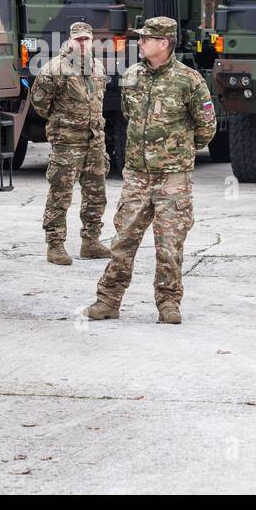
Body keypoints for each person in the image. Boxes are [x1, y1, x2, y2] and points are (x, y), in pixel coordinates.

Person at [86, 16, 216, 324]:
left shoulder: (189, 80)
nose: (140, 42)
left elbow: (206, 127)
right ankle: (108, 300)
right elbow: (129, 115)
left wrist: (176, 151)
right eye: (140, 37)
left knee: (169, 245)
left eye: (146, 38)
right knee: (122, 241)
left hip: (173, 178)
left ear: (164, 43)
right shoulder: (132, 76)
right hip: (137, 177)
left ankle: (168, 303)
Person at [29, 21, 110, 265]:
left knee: (96, 194)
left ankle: (91, 242)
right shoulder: (54, 69)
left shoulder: (98, 67)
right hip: (67, 143)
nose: (83, 43)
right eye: (79, 39)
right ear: (70, 40)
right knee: (60, 194)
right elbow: (40, 103)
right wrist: (63, 122)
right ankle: (55, 245)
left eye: (87, 39)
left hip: (95, 142)